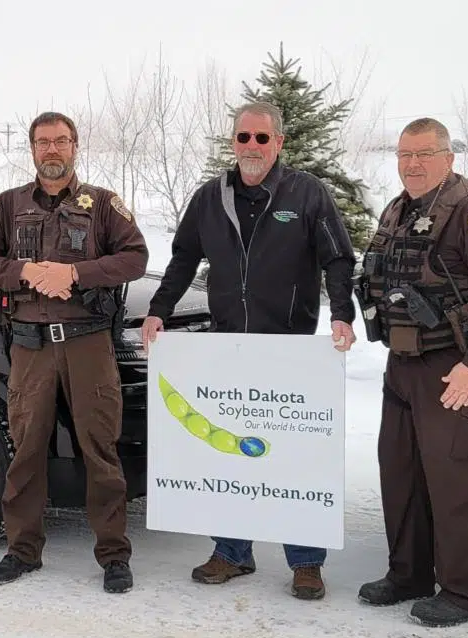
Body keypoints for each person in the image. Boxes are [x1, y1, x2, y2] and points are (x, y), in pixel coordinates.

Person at [141, 101, 358, 601]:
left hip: (288, 348)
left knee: (293, 455)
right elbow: (182, 261)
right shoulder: (209, 198)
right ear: (233, 142)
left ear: (279, 143)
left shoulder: (306, 194)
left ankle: (306, 562)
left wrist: (342, 313)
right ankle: (232, 552)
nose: (252, 148)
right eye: (244, 138)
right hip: (228, 346)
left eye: (262, 139)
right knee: (230, 450)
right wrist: (159, 311)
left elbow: (337, 258)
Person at [0, 110, 149, 593]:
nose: (52, 150)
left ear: (75, 147)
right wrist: (25, 273)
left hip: (88, 345)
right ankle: (22, 550)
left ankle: (113, 554)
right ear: (31, 150)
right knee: (26, 450)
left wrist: (73, 274)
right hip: (30, 347)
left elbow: (135, 257)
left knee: (100, 450)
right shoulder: (7, 206)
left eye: (61, 141)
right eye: (43, 142)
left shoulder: (105, 205)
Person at [355, 117, 468, 627]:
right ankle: (408, 574)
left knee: (452, 483)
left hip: (457, 369)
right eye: (405, 155)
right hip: (404, 364)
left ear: (449, 157)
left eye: (424, 154)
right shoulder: (400, 209)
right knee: (399, 473)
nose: (413, 164)